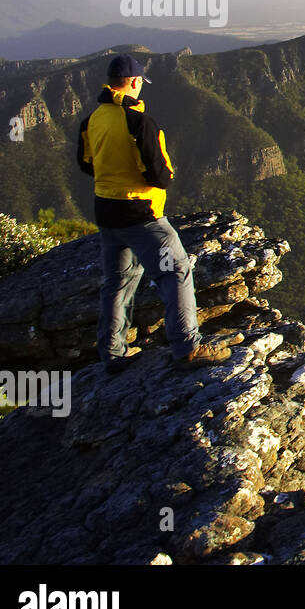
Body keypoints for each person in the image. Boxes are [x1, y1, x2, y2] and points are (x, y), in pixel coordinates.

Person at [76, 54, 238, 374]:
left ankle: (112, 354)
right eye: (141, 83)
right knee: (176, 271)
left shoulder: (92, 120)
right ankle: (187, 348)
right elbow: (160, 175)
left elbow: (86, 164)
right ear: (135, 82)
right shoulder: (138, 122)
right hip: (140, 213)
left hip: (106, 211)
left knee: (117, 282)